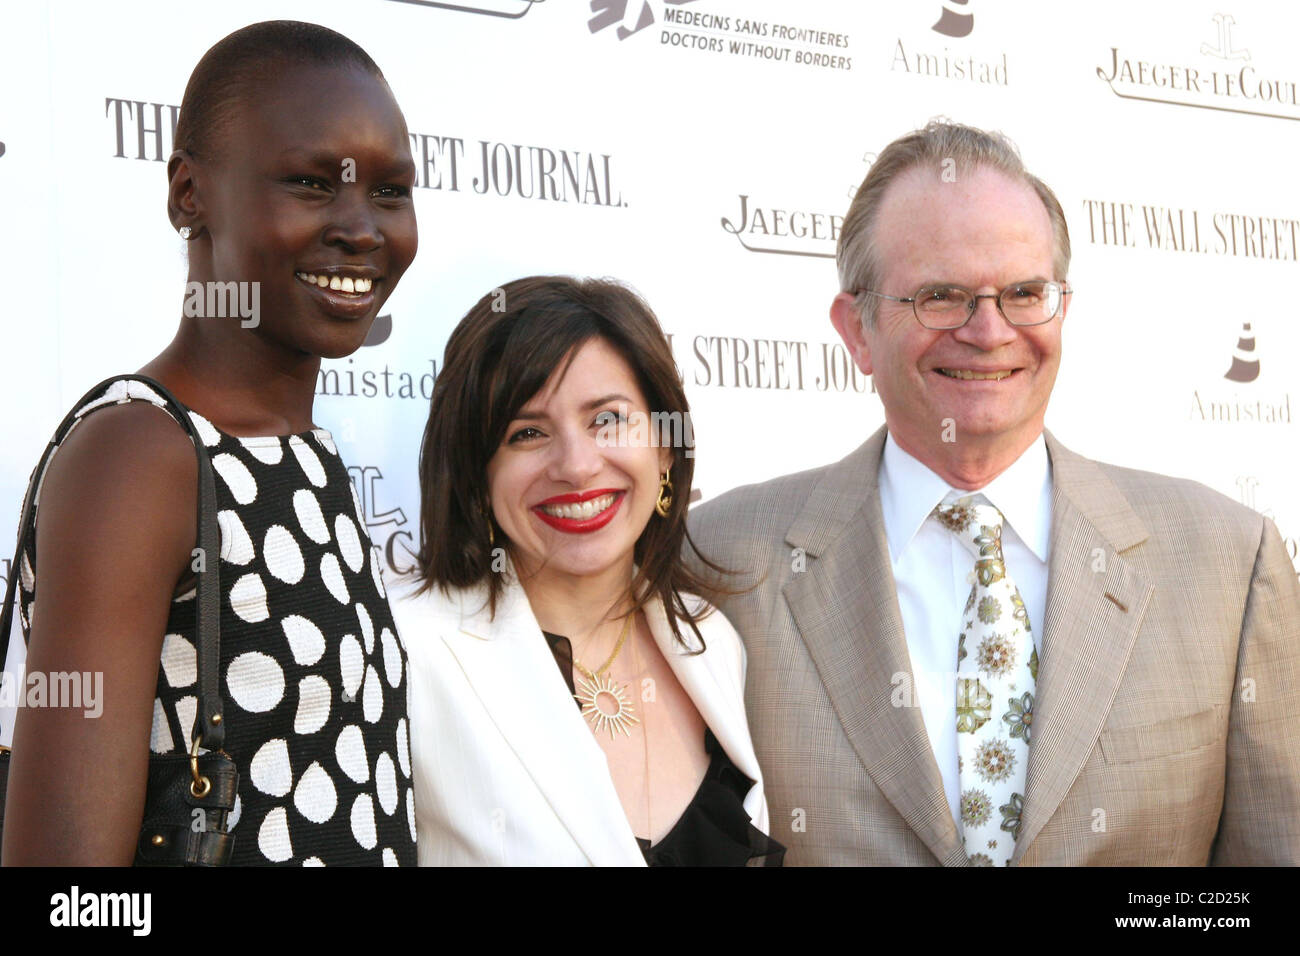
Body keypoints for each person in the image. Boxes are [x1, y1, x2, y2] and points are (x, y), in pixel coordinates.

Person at [687, 120, 1300, 865]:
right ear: (857, 330)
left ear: (1061, 311)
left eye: (1022, 293)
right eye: (941, 296)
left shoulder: (1229, 561)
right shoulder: (718, 565)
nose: (988, 330)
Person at [2, 21, 420, 865]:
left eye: (389, 192)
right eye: (309, 183)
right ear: (189, 194)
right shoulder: (138, 458)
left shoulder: (314, 458)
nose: (361, 229)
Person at [392, 275, 782, 866]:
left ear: (664, 445)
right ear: (477, 475)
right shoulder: (408, 653)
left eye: (607, 419)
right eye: (527, 433)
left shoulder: (712, 641)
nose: (576, 466)